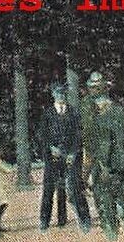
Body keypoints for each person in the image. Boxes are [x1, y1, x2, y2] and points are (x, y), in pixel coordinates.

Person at [82, 74, 124, 238]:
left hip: (103, 162)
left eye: (95, 87)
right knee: (119, 194)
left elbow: (90, 144)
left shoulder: (92, 113)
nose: (92, 90)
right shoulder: (121, 110)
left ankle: (112, 231)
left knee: (104, 197)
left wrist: (86, 172)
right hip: (120, 162)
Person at [37, 84, 91, 231]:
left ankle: (85, 220)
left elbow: (79, 135)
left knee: (76, 187)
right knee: (49, 189)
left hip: (71, 156)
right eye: (58, 93)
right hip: (53, 157)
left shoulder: (74, 113)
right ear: (53, 95)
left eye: (63, 94)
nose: (61, 96)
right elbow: (42, 135)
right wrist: (51, 148)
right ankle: (44, 221)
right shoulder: (47, 114)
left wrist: (73, 153)